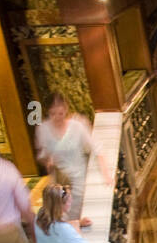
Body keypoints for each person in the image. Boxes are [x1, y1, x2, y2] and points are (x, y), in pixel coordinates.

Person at [34, 92, 111, 222]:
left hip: (78, 180)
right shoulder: (43, 129)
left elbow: (97, 148)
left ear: (66, 109)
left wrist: (106, 174)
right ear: (48, 112)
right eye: (53, 114)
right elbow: (42, 156)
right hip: (59, 181)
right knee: (60, 216)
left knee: (79, 215)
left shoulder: (77, 126)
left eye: (60, 113)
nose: (57, 117)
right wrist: (48, 161)